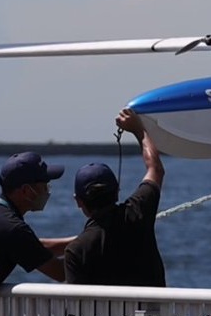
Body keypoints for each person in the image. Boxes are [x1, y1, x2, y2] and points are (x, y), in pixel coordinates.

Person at [65, 108, 166, 286]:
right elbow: (155, 169)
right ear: (117, 190)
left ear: (79, 201)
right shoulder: (138, 212)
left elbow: (77, 304)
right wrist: (138, 129)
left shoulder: (76, 250)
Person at [0, 151, 73, 293]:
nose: (48, 191)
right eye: (45, 185)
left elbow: (34, 247)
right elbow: (60, 272)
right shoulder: (12, 229)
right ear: (26, 190)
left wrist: (79, 241)